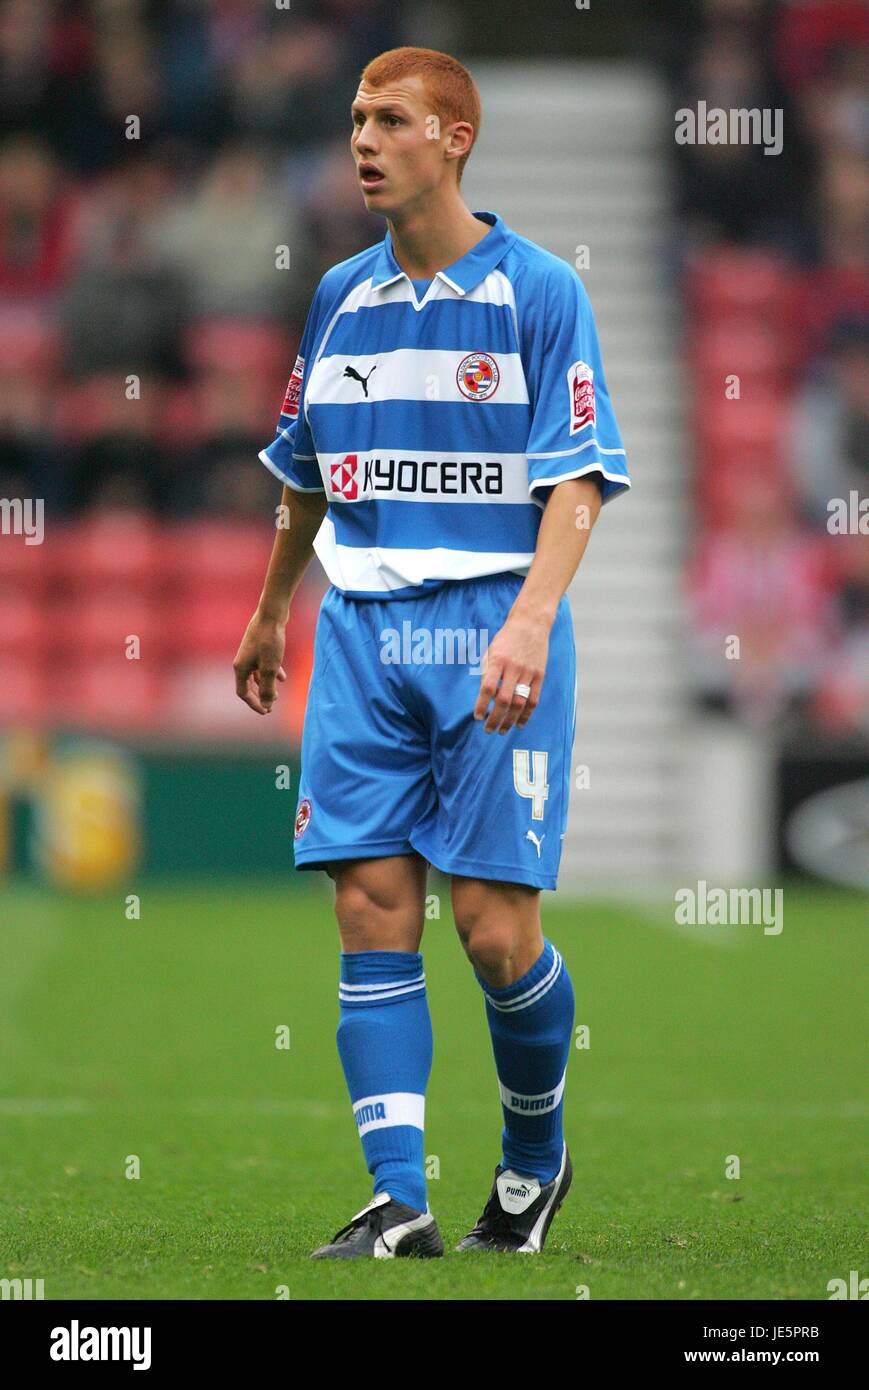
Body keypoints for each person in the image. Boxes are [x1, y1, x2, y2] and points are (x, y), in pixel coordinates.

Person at [233, 45, 630, 1259]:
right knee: (369, 904)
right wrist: (269, 608)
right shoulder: (340, 294)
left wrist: (527, 617)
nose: (362, 138)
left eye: (389, 118)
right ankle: (396, 1198)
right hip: (359, 637)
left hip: (485, 634)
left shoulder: (536, 292)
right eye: (355, 117)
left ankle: (530, 1159)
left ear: (452, 138)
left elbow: (578, 481)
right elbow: (303, 477)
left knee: (495, 932)